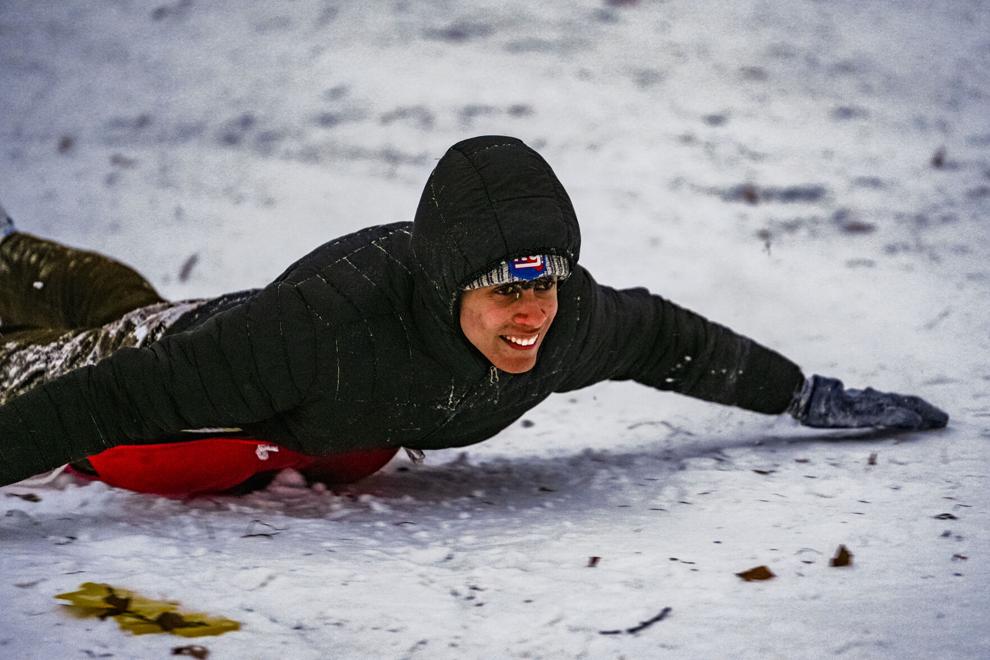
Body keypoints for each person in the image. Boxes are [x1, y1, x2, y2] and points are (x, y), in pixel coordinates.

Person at [0, 135, 948, 496]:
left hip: (301, 412)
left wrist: (805, 394)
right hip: (195, 371)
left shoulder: (564, 320)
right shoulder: (320, 333)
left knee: (120, 298)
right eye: (505, 290)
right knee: (79, 340)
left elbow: (671, 339)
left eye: (547, 284)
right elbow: (112, 395)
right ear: (449, 285)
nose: (533, 313)